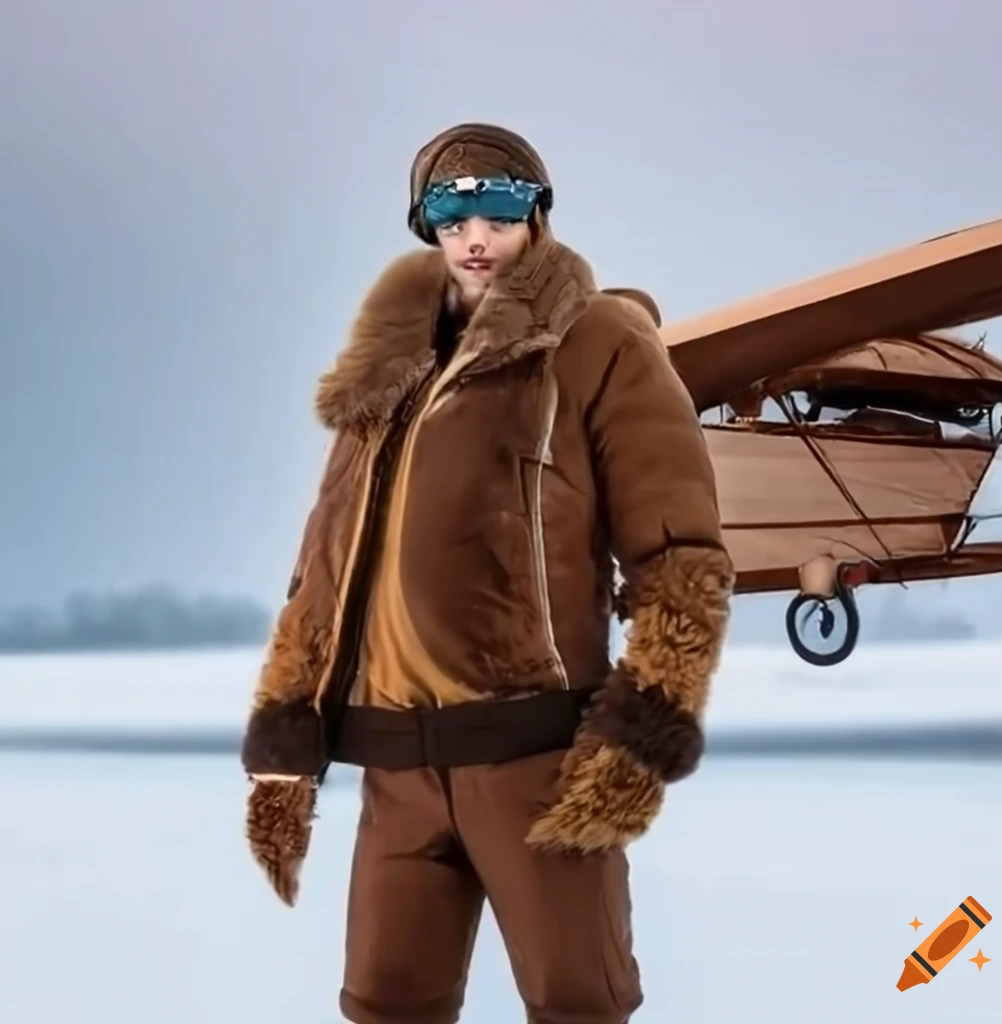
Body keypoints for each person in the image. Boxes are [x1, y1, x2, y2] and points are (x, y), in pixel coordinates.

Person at [240, 122, 734, 1024]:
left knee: (580, 1000)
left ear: (537, 212)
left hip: (535, 760)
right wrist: (285, 752)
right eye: (450, 210)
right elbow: (324, 565)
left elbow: (680, 558)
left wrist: (639, 738)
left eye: (501, 206)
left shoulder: (603, 344)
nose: (476, 235)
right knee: (386, 1002)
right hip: (396, 766)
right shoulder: (388, 370)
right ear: (425, 223)